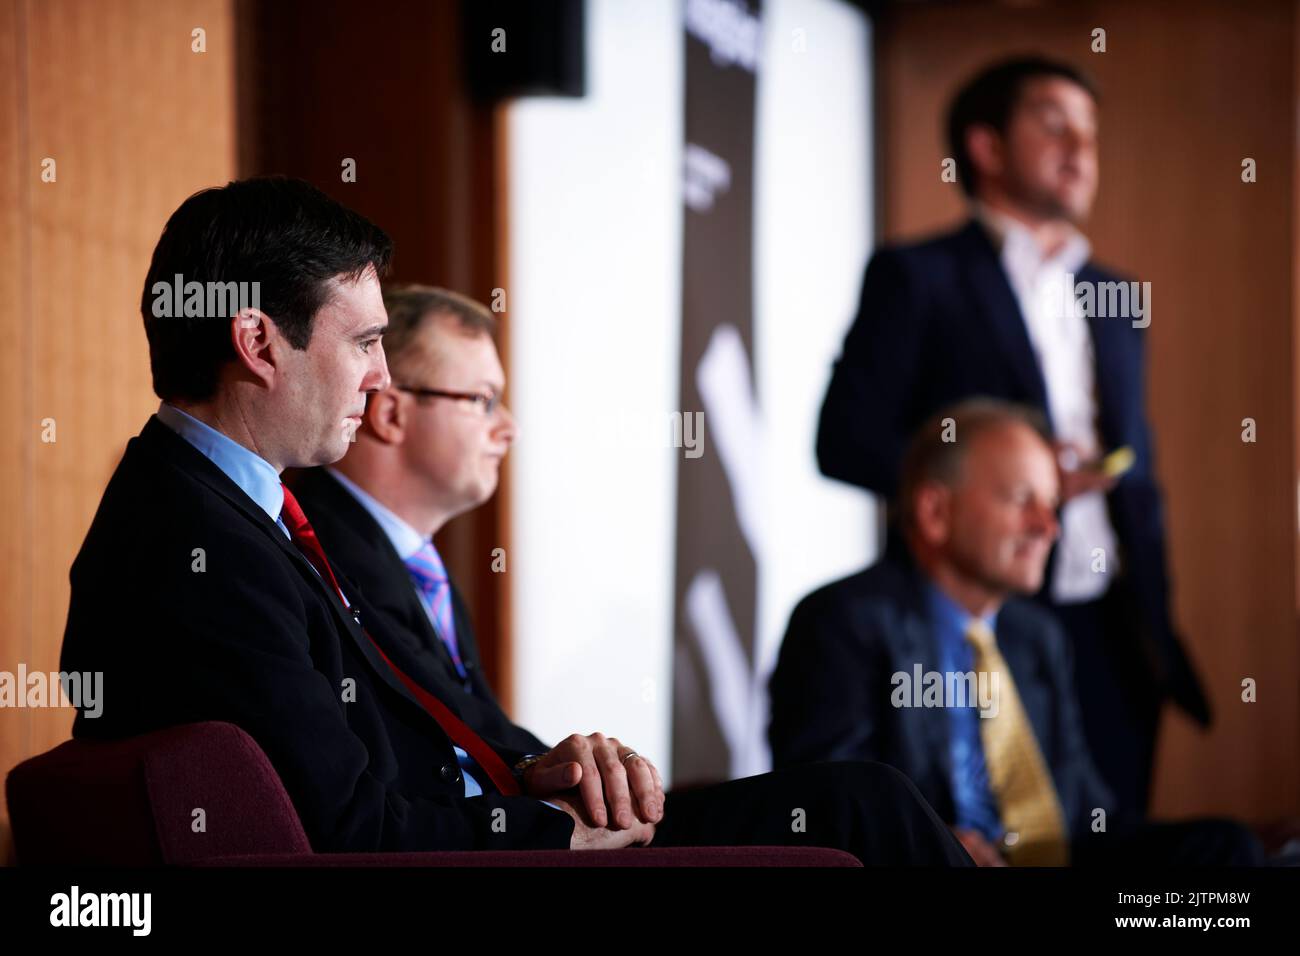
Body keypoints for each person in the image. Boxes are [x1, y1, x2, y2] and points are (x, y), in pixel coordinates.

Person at [60, 182, 970, 864]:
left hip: (486, 831)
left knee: (861, 803)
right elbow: (355, 833)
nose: (381, 382)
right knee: (865, 809)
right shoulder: (202, 549)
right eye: (366, 343)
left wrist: (531, 775)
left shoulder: (224, 509)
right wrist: (552, 829)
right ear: (260, 345)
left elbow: (382, 755)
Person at [815, 56, 1208, 818]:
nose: (1082, 151)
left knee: (1108, 844)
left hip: (1117, 629)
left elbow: (1141, 464)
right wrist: (996, 478)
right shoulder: (918, 276)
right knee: (988, 834)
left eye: (1091, 134)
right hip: (980, 617)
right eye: (1055, 127)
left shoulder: (1115, 293)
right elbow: (844, 439)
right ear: (987, 147)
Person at [772, 400, 1262, 866]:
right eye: (1021, 499)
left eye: (1052, 503)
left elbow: (1088, 819)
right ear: (934, 512)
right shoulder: (843, 621)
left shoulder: (1037, 638)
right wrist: (937, 842)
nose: (1049, 527)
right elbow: (832, 809)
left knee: (1226, 849)